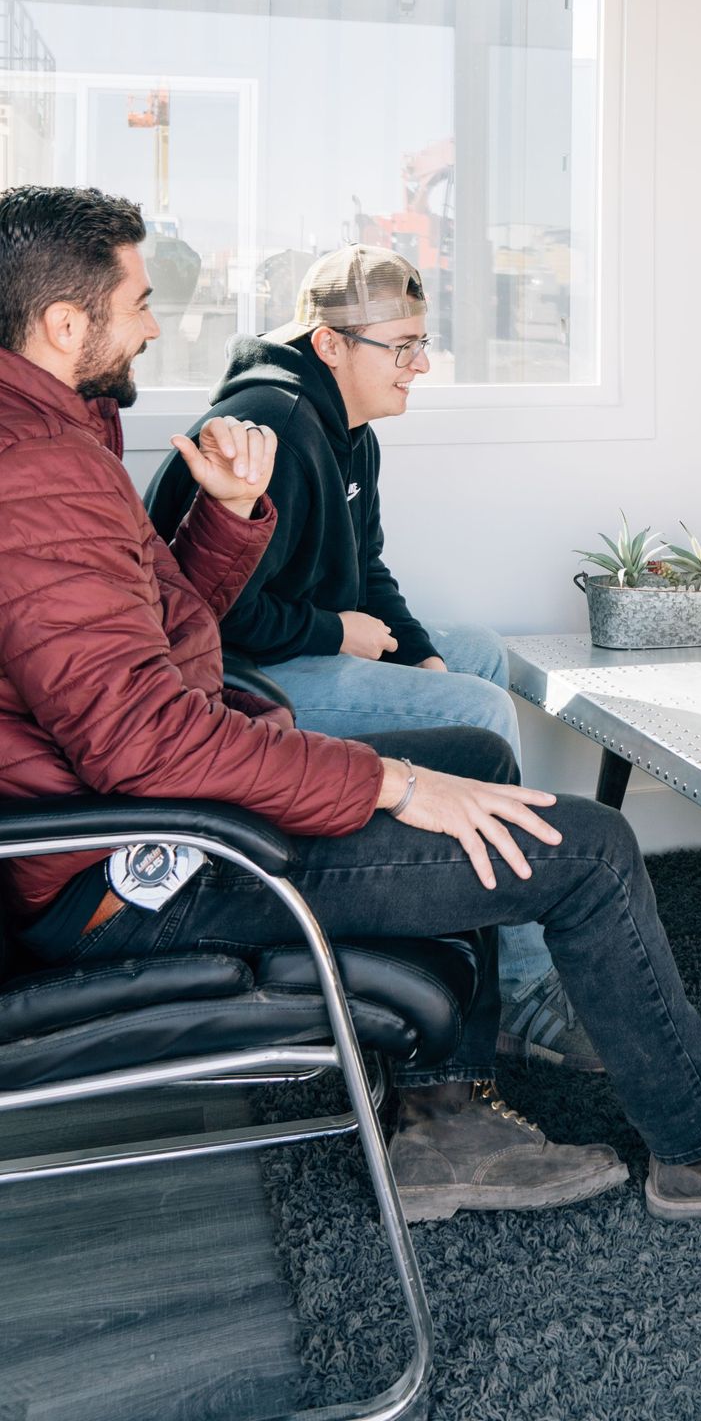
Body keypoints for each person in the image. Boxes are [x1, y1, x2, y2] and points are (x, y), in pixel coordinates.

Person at [0, 186, 701, 1224]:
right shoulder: (39, 470)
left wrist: (231, 522)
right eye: (139, 300)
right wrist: (388, 781)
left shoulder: (58, 440)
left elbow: (162, 641)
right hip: (137, 872)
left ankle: (445, 1118)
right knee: (589, 847)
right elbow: (141, 740)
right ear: (66, 325)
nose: (154, 323)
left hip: (152, 828)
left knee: (474, 749)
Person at [144, 245, 583, 1073]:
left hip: (302, 647)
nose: (419, 365)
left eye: (424, 343)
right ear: (331, 345)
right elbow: (212, 615)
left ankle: (488, 920)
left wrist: (416, 658)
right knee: (481, 715)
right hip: (242, 686)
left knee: (477, 661)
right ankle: (525, 985)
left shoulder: (353, 431)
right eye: (401, 347)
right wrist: (333, 633)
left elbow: (367, 567)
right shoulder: (270, 423)